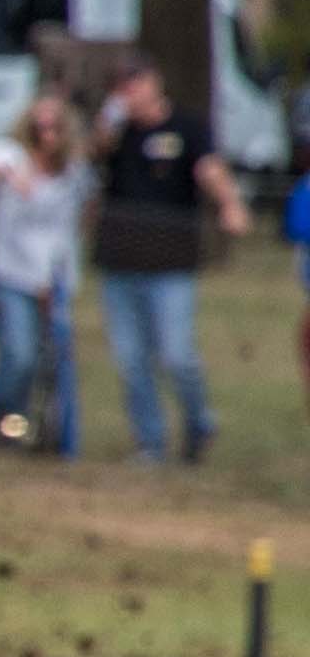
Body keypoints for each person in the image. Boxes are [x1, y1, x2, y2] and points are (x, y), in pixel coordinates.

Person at [91, 50, 247, 463]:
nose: (130, 94)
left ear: (155, 81)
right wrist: (108, 126)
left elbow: (209, 169)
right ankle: (151, 442)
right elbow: (90, 158)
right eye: (121, 88)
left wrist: (230, 204)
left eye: (135, 83)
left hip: (171, 262)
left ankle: (198, 422)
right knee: (131, 357)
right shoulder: (118, 135)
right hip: (120, 260)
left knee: (177, 353)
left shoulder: (188, 127)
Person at [0, 91, 90, 456]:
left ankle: (50, 434)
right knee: (19, 356)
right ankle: (7, 420)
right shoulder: (12, 155)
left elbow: (77, 221)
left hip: (54, 278)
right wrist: (6, 171)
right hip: (11, 274)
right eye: (40, 127)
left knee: (52, 361)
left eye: (55, 127)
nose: (47, 135)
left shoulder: (74, 172)